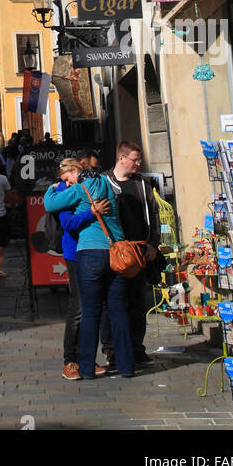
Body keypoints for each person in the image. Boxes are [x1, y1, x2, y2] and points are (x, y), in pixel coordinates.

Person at [44, 165, 135, 379]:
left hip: (90, 253)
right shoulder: (110, 189)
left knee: (91, 312)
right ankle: (126, 366)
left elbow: (50, 204)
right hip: (116, 253)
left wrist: (52, 187)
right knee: (118, 311)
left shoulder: (79, 191)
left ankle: (86, 367)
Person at [103, 141, 161, 367]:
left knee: (138, 302)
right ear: (121, 158)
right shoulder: (104, 182)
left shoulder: (141, 184)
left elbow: (153, 213)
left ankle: (137, 347)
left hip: (139, 251)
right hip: (115, 252)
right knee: (113, 302)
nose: (138, 163)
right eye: (135, 159)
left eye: (139, 160)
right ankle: (112, 349)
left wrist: (153, 243)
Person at [51, 158, 110, 381]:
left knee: (92, 307)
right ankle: (70, 360)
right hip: (75, 253)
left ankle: (86, 359)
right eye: (64, 180)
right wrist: (92, 213)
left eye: (67, 178)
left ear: (77, 171)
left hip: (93, 249)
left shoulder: (91, 184)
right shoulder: (62, 192)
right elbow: (67, 223)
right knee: (78, 308)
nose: (66, 183)